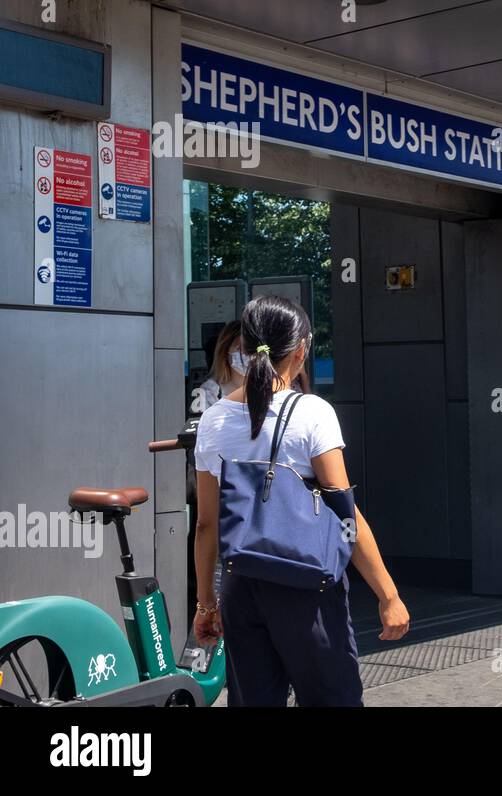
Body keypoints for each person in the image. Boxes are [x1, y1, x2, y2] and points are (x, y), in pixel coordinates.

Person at [192, 295, 410, 706]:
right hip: (306, 587)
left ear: (242, 348)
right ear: (301, 349)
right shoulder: (313, 413)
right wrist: (388, 595)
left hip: (243, 586)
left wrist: (207, 604)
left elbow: (207, 524)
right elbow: (344, 513)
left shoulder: (213, 419)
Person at [199, 320, 247, 408]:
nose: (247, 354)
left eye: (252, 349)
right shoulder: (209, 392)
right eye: (239, 348)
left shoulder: (266, 389)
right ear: (225, 351)